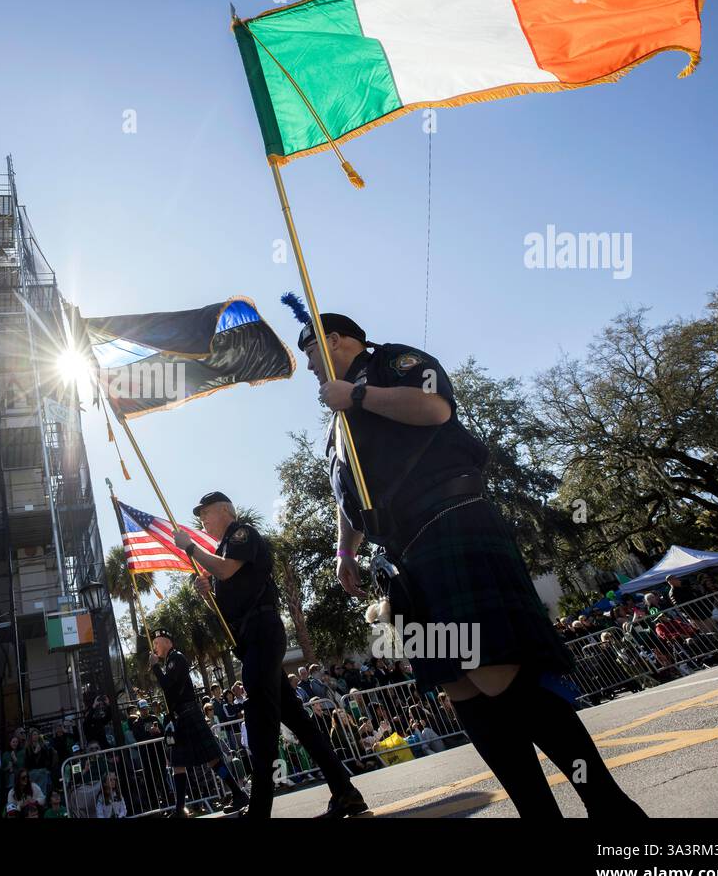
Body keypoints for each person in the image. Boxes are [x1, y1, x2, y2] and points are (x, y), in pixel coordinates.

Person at [299, 310, 644, 818]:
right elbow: (350, 494)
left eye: (309, 350)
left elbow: (435, 409)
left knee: (496, 671)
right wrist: (344, 550)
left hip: (449, 522)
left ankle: (611, 809)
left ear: (337, 339)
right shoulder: (335, 423)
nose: (307, 364)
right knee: (460, 687)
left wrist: (357, 396)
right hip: (402, 556)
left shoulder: (394, 362)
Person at [173, 493, 367, 819]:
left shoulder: (241, 533)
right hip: (251, 639)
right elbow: (226, 608)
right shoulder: (222, 551)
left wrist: (190, 547)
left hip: (263, 632)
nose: (203, 520)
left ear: (225, 510)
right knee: (299, 723)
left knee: (261, 720)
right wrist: (208, 597)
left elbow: (226, 571)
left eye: (206, 513)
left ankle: (259, 810)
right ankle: (346, 792)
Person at [148, 627, 249, 816]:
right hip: (180, 716)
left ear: (167, 641)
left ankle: (237, 793)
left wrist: (155, 667)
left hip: (188, 714)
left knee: (212, 759)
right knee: (178, 762)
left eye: (156, 642)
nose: (154, 647)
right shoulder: (169, 661)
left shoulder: (176, 658)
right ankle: (180, 809)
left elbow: (168, 686)